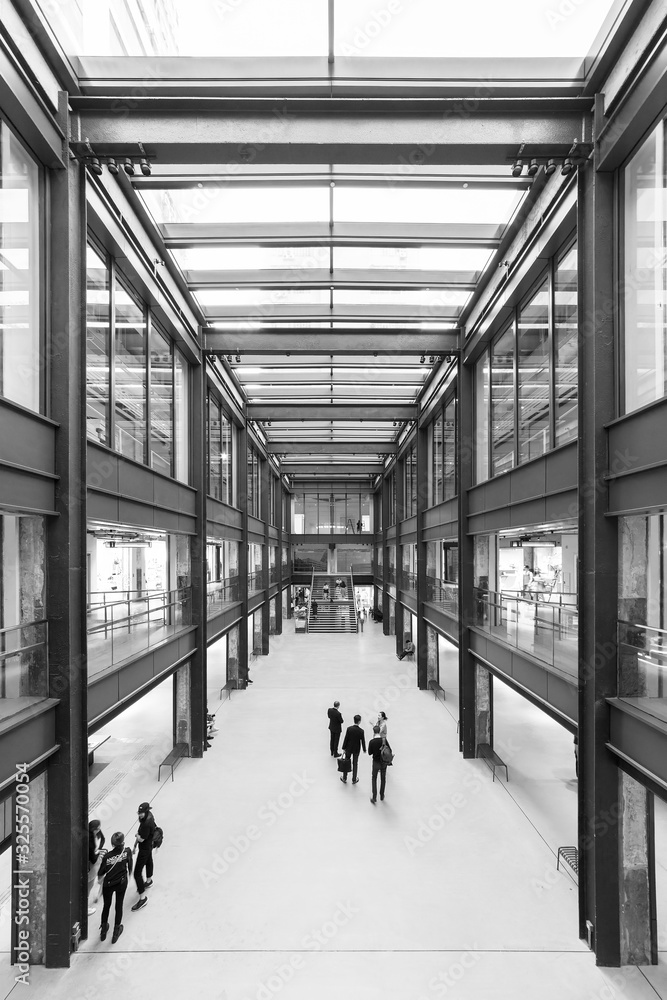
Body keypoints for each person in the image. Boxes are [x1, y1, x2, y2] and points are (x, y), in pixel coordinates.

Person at [97, 830, 133, 944]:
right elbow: (130, 864)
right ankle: (116, 931)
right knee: (119, 905)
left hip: (108, 884)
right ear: (123, 842)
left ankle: (103, 930)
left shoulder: (107, 857)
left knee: (106, 906)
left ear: (112, 843)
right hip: (121, 882)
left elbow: (101, 872)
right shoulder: (127, 852)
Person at [131, 801, 156, 911]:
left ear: (146, 811)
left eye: (141, 813)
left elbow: (141, 838)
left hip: (144, 848)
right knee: (149, 861)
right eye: (139, 813)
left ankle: (143, 898)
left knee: (137, 873)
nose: (140, 815)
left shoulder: (146, 824)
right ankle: (149, 880)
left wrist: (137, 835)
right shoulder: (150, 816)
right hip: (149, 845)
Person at [368, 725, 392, 804]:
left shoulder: (372, 742)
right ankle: (382, 795)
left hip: (375, 762)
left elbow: (369, 753)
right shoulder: (384, 740)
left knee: (374, 778)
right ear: (379, 731)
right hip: (383, 762)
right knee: (383, 778)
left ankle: (374, 797)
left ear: (374, 732)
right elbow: (389, 749)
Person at [340, 715, 366, 784]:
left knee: (346, 761)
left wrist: (344, 747)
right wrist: (364, 749)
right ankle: (354, 779)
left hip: (348, 748)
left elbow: (346, 738)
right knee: (355, 763)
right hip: (356, 749)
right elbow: (363, 740)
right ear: (359, 721)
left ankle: (344, 777)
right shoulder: (361, 731)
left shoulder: (349, 729)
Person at [88, 819, 106, 914]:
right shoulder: (89, 840)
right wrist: (98, 852)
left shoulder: (97, 832)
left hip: (97, 858)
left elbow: (103, 839)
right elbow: (93, 859)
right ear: (93, 829)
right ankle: (86, 906)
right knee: (89, 884)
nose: (99, 830)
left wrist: (99, 849)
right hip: (93, 863)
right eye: (97, 829)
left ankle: (100, 891)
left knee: (98, 877)